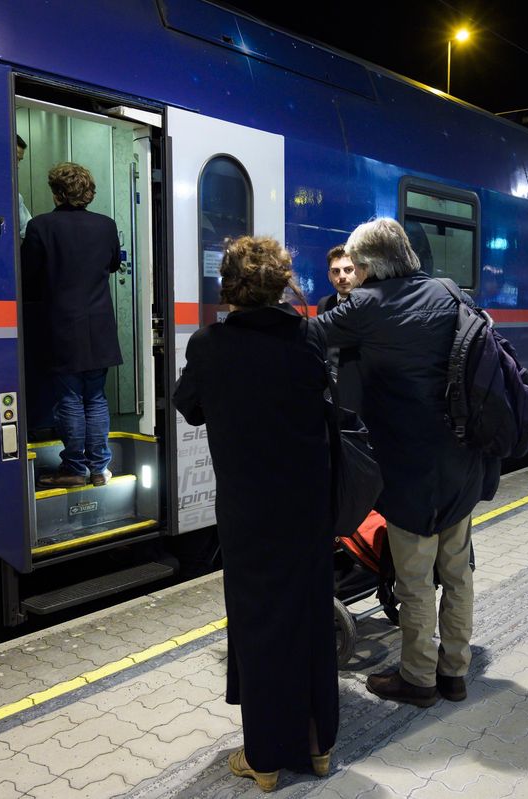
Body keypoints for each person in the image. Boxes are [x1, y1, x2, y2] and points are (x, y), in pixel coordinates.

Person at [173, 236, 338, 791]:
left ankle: (264, 759)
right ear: (281, 284)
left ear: (229, 287)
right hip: (307, 504)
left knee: (258, 623)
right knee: (310, 615)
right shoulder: (309, 336)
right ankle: (318, 747)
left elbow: (189, 407)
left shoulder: (210, 344)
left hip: (249, 509)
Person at [317, 218, 499, 708]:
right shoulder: (449, 292)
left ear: (372, 265)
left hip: (409, 470)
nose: (353, 274)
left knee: (414, 580)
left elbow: (307, 336)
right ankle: (454, 672)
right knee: (457, 573)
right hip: (461, 462)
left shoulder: (367, 305)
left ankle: (418, 678)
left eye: (357, 266)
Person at [22, 162, 122, 487]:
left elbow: (28, 275)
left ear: (56, 193)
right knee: (96, 398)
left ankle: (75, 468)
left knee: (69, 398)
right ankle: (99, 468)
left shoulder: (40, 226)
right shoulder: (106, 225)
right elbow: (114, 263)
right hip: (100, 327)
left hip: (62, 326)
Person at [317, 245, 362, 411]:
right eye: (336, 271)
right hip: (329, 388)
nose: (341, 276)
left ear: (358, 270)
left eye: (348, 270)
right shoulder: (324, 304)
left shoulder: (369, 304)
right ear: (329, 276)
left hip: (359, 387)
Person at [16, 135, 31, 239]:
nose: (17, 165)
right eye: (15, 159)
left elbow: (27, 229)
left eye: (19, 160)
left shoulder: (15, 196)